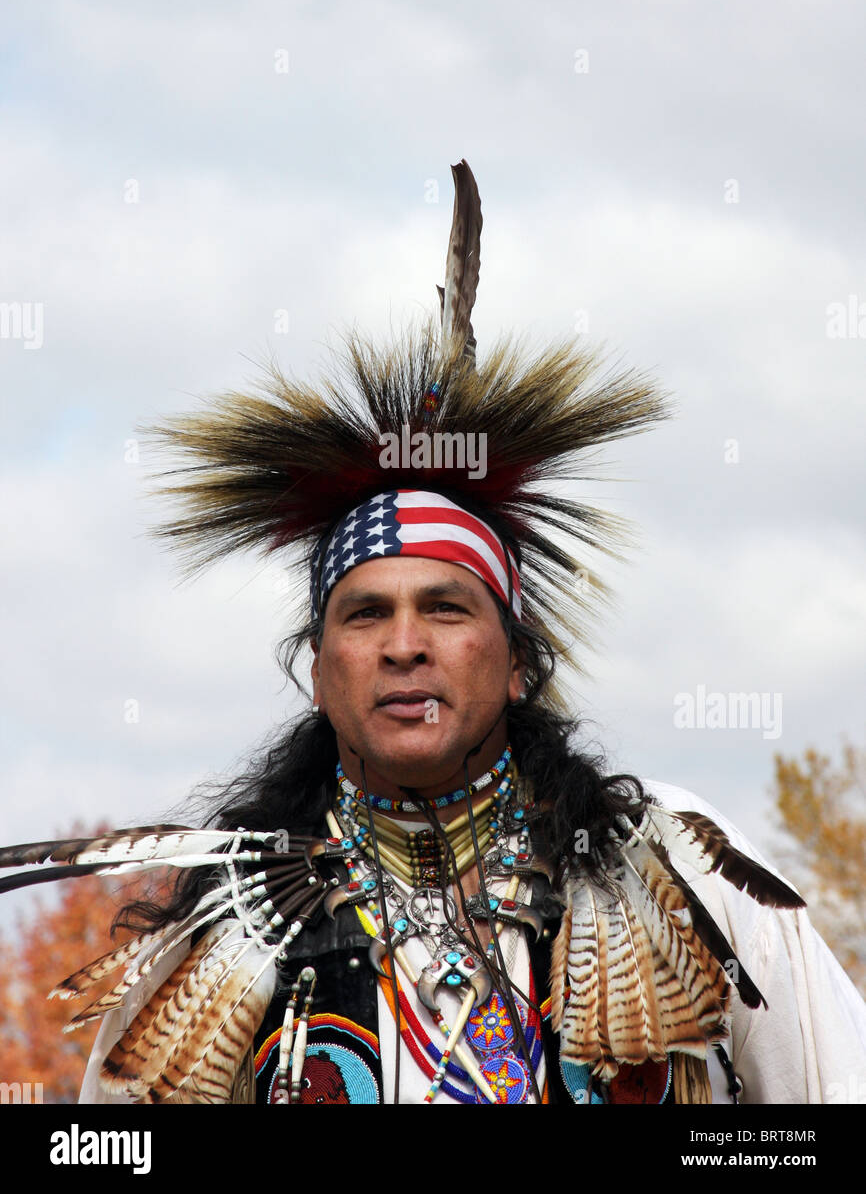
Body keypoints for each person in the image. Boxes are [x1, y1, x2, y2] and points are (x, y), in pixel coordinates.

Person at [4, 163, 866, 1105]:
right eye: (365, 613)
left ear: (521, 666)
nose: (403, 644)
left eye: (447, 609)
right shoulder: (224, 938)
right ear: (319, 672)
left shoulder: (676, 873)